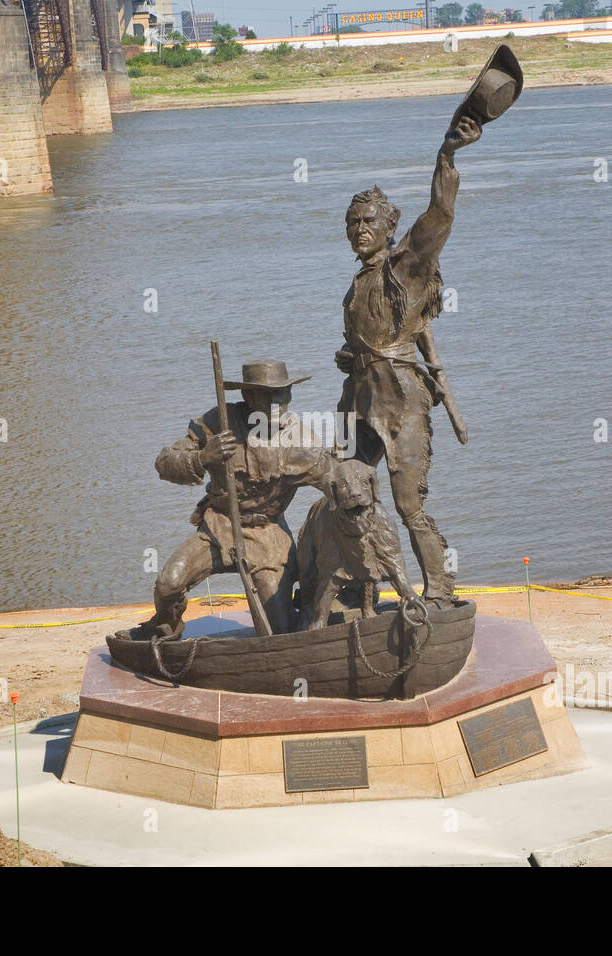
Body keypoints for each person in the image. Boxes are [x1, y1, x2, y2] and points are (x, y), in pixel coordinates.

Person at [334, 115, 482, 607]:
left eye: (369, 222)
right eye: (353, 223)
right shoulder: (357, 284)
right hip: (360, 401)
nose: (360, 230)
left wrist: (447, 156)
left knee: (407, 504)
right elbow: (365, 341)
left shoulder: (408, 266)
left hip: (401, 400)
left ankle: (439, 588)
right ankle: (362, 582)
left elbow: (440, 213)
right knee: (346, 490)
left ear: (389, 226)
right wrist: (350, 356)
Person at [136, 360, 333, 638]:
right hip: (218, 528)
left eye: (283, 393)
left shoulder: (301, 440)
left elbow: (339, 483)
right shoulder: (219, 422)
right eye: (267, 394)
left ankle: (299, 610)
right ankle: (165, 629)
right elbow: (165, 463)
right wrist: (202, 458)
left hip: (267, 537)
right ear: (247, 396)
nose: (278, 402)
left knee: (277, 630)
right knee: (168, 584)